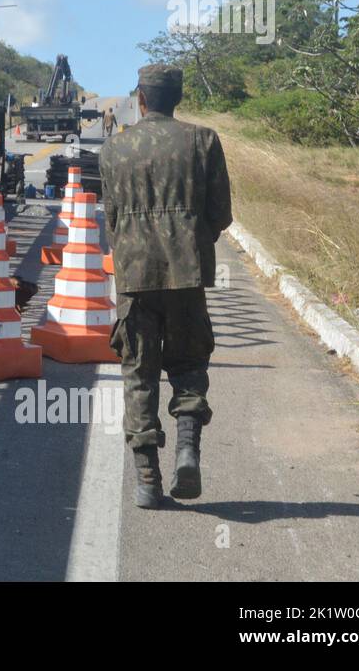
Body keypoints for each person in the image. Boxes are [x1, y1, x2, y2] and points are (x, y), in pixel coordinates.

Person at [99, 65, 232, 509]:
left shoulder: (115, 147)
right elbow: (220, 214)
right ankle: (188, 450)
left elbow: (113, 219)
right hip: (187, 275)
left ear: (140, 99)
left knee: (139, 374)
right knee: (190, 364)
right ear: (178, 97)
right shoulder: (204, 140)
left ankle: (147, 480)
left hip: (134, 280)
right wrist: (190, 243)